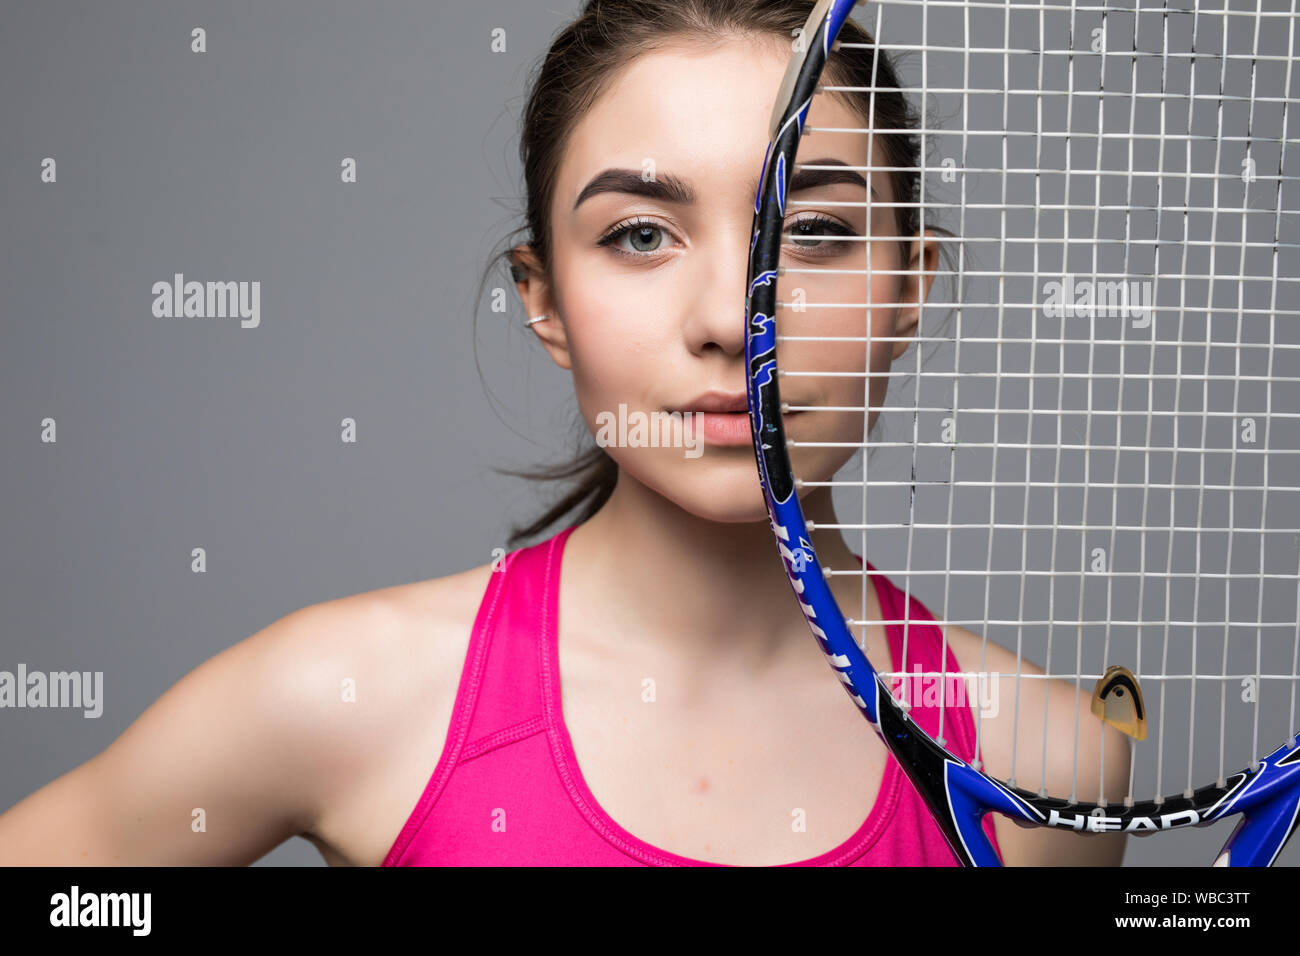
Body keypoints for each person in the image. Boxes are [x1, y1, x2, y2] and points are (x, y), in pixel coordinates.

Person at [0, 0, 1129, 867]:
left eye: (819, 230)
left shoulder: (1044, 762)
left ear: (911, 286)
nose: (730, 320)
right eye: (641, 233)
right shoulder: (346, 689)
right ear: (542, 300)